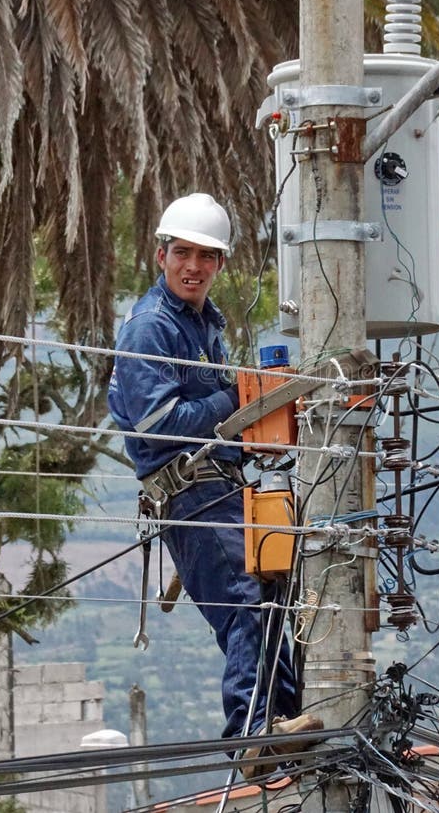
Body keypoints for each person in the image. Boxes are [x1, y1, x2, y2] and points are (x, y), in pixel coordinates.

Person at [108, 193, 322, 778]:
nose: (193, 266)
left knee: (278, 596)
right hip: (190, 492)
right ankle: (251, 735)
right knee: (246, 604)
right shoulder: (153, 326)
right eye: (183, 252)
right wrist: (240, 398)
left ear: (220, 265)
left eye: (206, 256)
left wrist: (260, 414)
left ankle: (285, 723)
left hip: (222, 484)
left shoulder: (203, 325)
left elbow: (211, 418)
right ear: (161, 255)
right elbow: (157, 422)